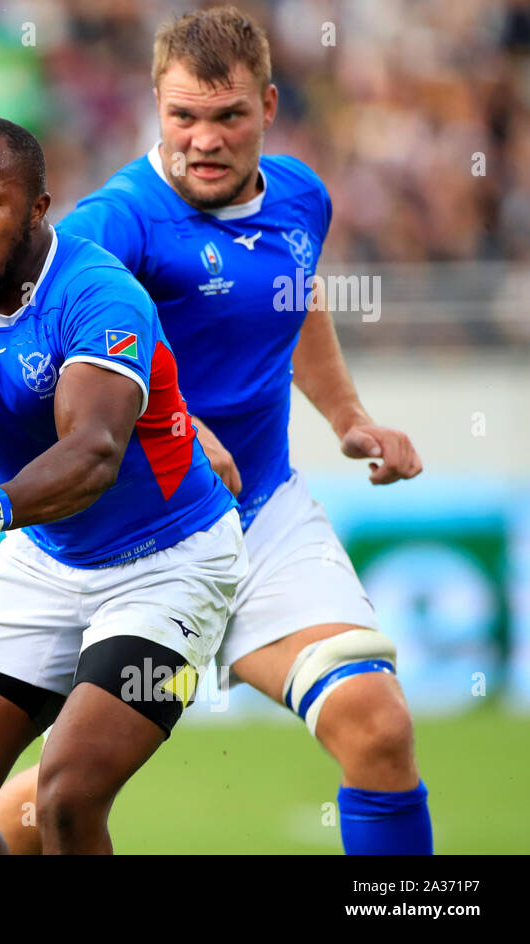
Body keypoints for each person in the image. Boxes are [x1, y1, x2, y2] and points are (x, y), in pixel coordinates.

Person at [40, 5, 428, 854]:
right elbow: (55, 366)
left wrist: (348, 416)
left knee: (377, 724)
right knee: (41, 814)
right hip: (137, 550)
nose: (204, 139)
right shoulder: (111, 226)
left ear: (270, 108)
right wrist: (172, 419)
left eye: (228, 117)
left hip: (262, 518)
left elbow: (294, 300)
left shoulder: (301, 196)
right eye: (183, 116)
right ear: (155, 107)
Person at [0, 116, 246, 854]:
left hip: (172, 564)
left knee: (67, 795)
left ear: (39, 208)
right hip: (43, 560)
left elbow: (95, 452)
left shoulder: (99, 292)